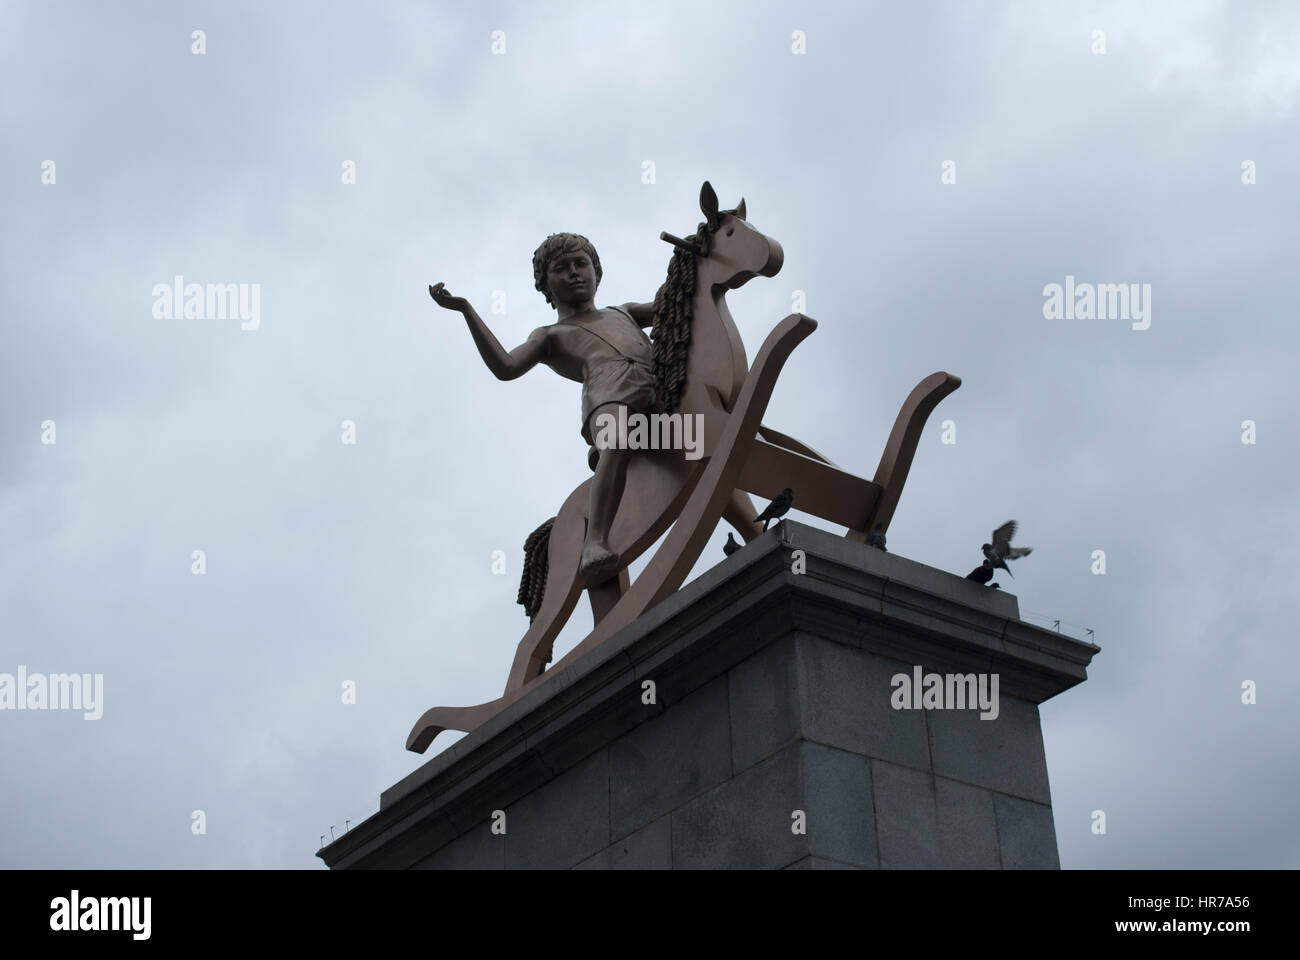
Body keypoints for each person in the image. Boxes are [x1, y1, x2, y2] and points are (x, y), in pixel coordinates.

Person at [429, 232, 659, 581]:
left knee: (703, 437)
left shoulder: (623, 312)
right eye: (561, 268)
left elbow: (678, 300)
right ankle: (594, 542)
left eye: (581, 264)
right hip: (611, 399)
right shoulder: (549, 335)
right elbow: (506, 366)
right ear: (546, 285)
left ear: (596, 271)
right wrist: (466, 310)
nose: (574, 273)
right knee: (617, 439)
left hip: (657, 397)